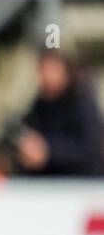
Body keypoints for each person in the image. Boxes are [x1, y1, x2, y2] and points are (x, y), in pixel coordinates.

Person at [16, 49, 104, 177]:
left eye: (51, 70)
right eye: (42, 70)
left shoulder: (81, 101)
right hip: (48, 184)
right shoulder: (39, 104)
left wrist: (48, 151)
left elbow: (89, 147)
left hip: (80, 183)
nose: (46, 76)